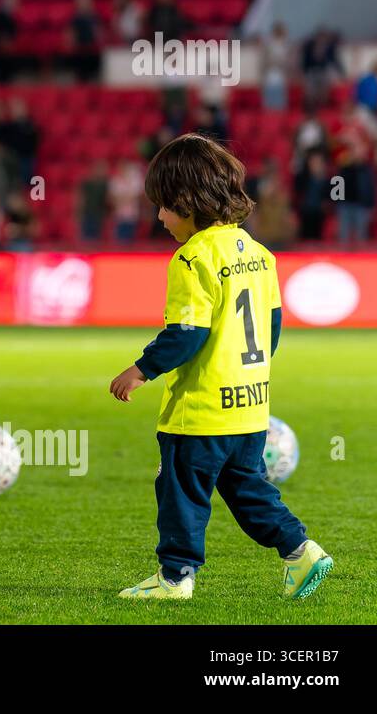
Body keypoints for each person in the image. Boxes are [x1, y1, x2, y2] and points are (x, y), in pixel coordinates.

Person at [109, 133, 332, 601]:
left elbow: (187, 333)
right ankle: (299, 549)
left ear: (188, 202)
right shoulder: (259, 254)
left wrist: (141, 369)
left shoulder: (191, 258)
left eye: (165, 206)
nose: (160, 217)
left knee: (181, 492)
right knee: (247, 490)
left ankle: (174, 578)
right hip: (250, 409)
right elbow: (271, 331)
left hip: (202, 410)